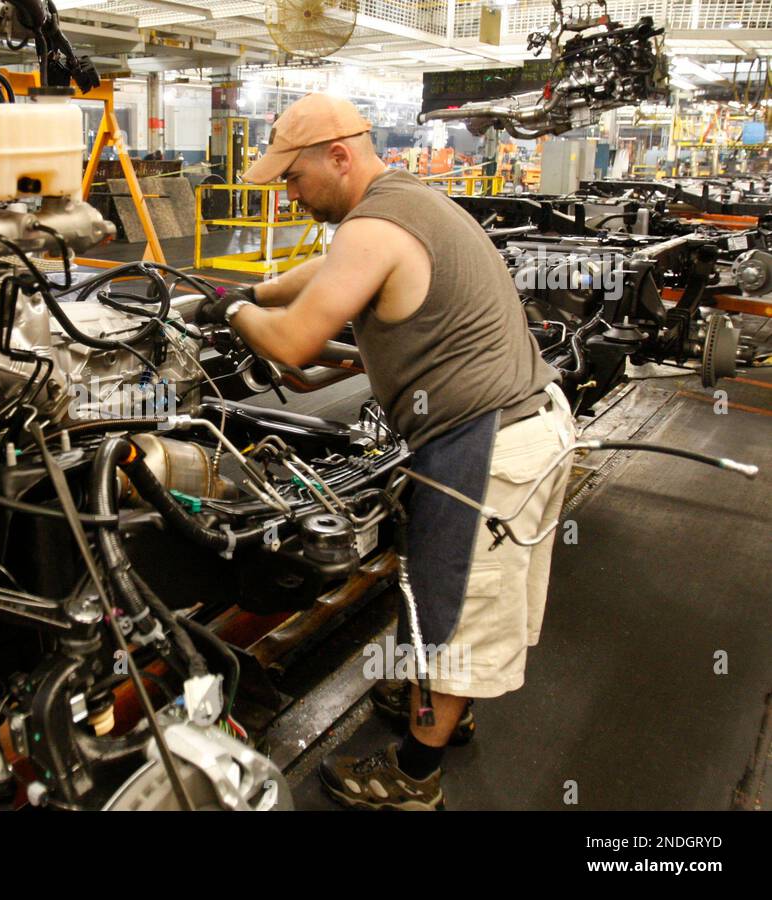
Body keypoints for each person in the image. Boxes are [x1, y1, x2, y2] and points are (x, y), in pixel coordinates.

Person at [197, 93, 576, 811]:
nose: (289, 192)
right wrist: (253, 289)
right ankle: (439, 711)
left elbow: (294, 346)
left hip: (492, 447)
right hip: (520, 427)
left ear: (339, 156)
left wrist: (234, 312)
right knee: (448, 599)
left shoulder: (374, 227)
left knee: (457, 617)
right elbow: (320, 277)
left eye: (294, 177)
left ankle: (412, 776)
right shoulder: (402, 203)